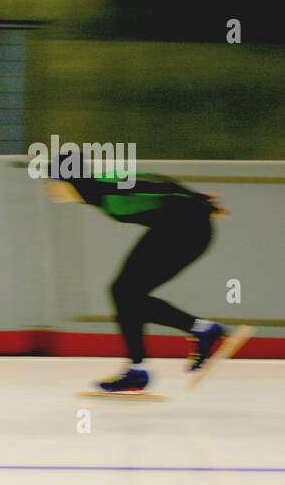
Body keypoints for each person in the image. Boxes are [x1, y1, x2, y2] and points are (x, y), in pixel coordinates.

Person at [42, 159, 230, 392]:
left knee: (124, 292)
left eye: (52, 181)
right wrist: (194, 197)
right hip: (179, 229)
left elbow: (153, 184)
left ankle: (147, 364)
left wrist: (197, 201)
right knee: (126, 294)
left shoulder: (106, 186)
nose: (47, 189)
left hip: (186, 229)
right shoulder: (98, 190)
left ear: (68, 180)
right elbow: (156, 180)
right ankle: (152, 360)